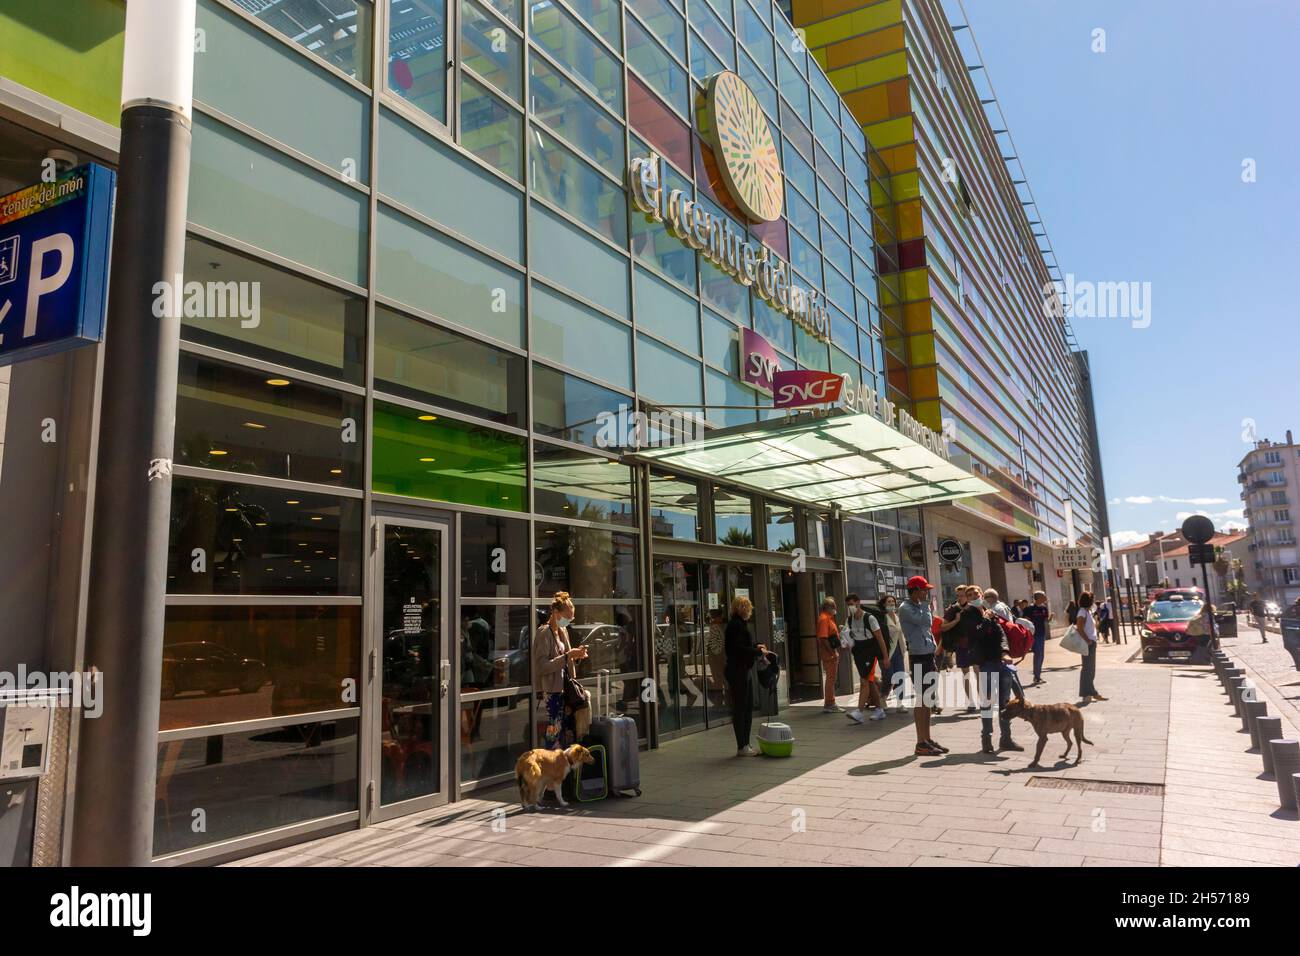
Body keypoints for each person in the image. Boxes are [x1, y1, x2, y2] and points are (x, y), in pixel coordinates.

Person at [898, 576, 949, 756]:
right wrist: (927, 606)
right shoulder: (906, 608)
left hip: (927, 655)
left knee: (928, 698)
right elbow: (927, 622)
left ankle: (926, 739)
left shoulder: (919, 606)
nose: (926, 593)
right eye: (923, 589)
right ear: (915, 590)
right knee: (922, 698)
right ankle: (920, 742)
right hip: (918, 656)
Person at [532, 591, 589, 750]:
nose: (569, 621)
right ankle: (552, 764)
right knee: (554, 732)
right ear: (556, 613)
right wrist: (567, 657)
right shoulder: (544, 633)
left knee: (566, 731)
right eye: (567, 617)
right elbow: (541, 666)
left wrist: (577, 655)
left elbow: (566, 656)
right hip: (551, 691)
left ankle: (562, 766)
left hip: (564, 688)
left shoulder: (562, 631)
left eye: (572, 618)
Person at [970, 599, 1024, 754]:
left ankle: (1006, 739)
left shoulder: (993, 617)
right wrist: (986, 619)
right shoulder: (968, 616)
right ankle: (986, 740)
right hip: (986, 665)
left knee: (1005, 703)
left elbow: (1002, 635)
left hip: (1001, 663)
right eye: (971, 594)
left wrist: (1005, 652)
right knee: (987, 702)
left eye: (977, 594)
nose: (975, 597)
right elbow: (976, 635)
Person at [723, 596, 766, 756]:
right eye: (748, 608)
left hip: (739, 669)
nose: (750, 612)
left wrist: (755, 646)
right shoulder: (736, 625)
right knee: (742, 708)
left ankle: (744, 744)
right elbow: (738, 649)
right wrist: (757, 651)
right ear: (743, 609)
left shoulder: (737, 624)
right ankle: (742, 746)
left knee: (744, 707)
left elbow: (740, 647)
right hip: (738, 670)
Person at [845, 594, 889, 723]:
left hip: (871, 651)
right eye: (848, 605)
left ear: (858, 603)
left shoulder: (869, 618)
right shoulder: (849, 620)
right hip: (859, 651)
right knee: (869, 682)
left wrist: (885, 657)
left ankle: (859, 711)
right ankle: (879, 710)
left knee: (864, 681)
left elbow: (880, 639)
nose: (851, 607)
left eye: (852, 604)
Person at [942, 585, 983, 713]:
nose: (960, 598)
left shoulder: (976, 608)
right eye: (958, 596)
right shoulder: (953, 610)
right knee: (966, 675)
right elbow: (943, 627)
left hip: (976, 645)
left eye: (963, 595)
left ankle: (982, 701)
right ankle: (971, 703)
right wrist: (956, 620)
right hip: (962, 646)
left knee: (978, 674)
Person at [880, 594, 910, 713]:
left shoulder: (898, 617)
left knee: (900, 677)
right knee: (889, 677)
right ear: (884, 604)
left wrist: (905, 650)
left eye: (893, 602)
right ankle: (882, 698)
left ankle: (900, 703)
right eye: (888, 602)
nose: (891, 604)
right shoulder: (882, 618)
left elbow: (901, 635)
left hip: (899, 651)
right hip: (887, 652)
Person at [1075, 591, 1106, 703]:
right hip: (1088, 643)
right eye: (1092, 600)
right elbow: (1079, 628)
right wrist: (1087, 640)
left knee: (1090, 669)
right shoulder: (1082, 612)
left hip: (1091, 642)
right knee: (1087, 669)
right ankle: (1089, 693)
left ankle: (1090, 693)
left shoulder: (1087, 612)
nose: (1093, 602)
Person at [816, 596, 842, 713]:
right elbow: (823, 638)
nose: (835, 608)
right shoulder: (824, 619)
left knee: (831, 678)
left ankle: (830, 702)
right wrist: (833, 652)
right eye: (833, 606)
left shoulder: (828, 618)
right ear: (827, 607)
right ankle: (830, 703)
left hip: (831, 652)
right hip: (829, 654)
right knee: (831, 678)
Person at [1025, 590, 1051, 686]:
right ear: (1039, 598)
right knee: (1037, 654)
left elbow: (1046, 620)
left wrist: (1050, 618)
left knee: (1040, 655)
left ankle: (1037, 676)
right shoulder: (1030, 609)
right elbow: (1025, 622)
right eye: (1044, 596)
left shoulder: (1044, 608)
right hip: (1032, 635)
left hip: (1041, 634)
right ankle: (1036, 676)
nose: (1045, 598)